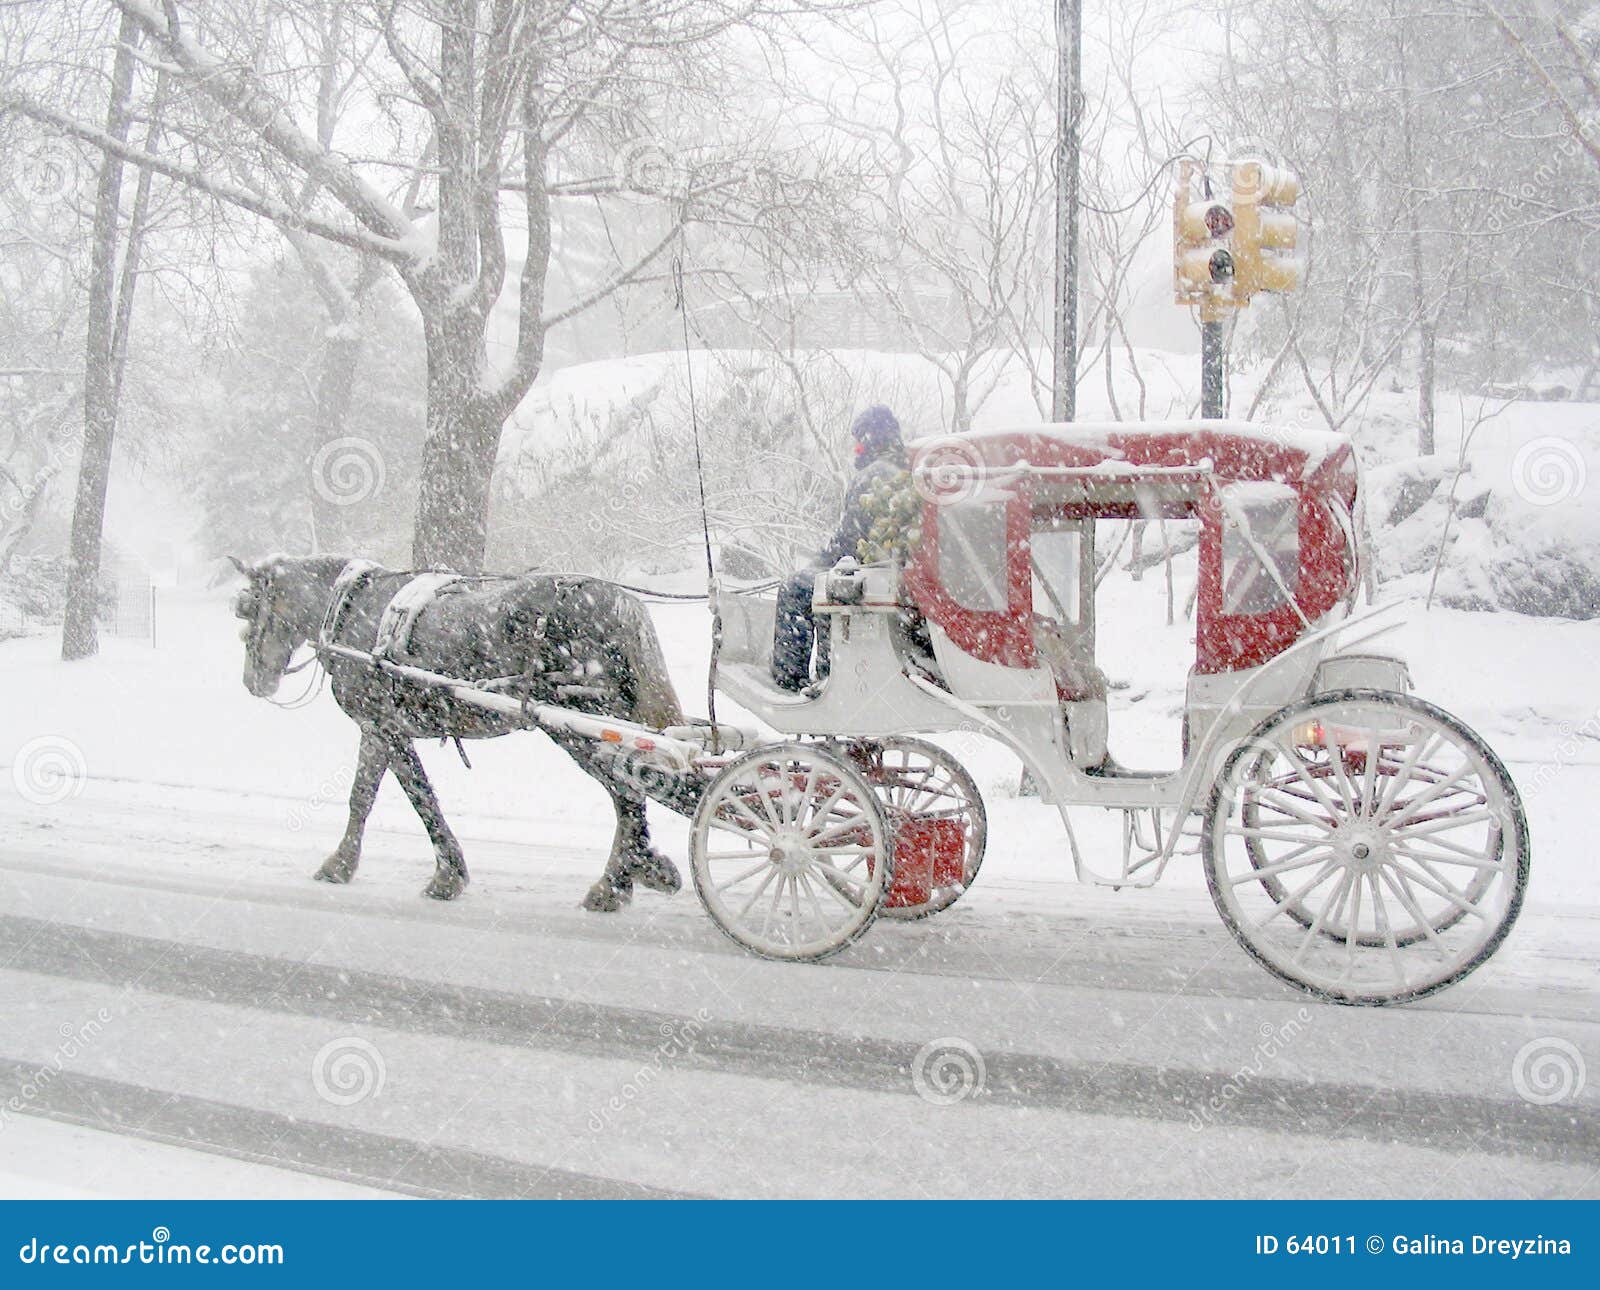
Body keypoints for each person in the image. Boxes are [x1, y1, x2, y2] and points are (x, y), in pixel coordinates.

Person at [771, 405, 907, 692]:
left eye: (859, 440)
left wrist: (817, 567)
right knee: (814, 583)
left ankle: (792, 679)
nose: (855, 448)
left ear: (870, 439)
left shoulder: (873, 475)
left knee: (795, 588)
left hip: (867, 573)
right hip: (885, 571)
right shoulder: (899, 470)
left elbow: (849, 540)